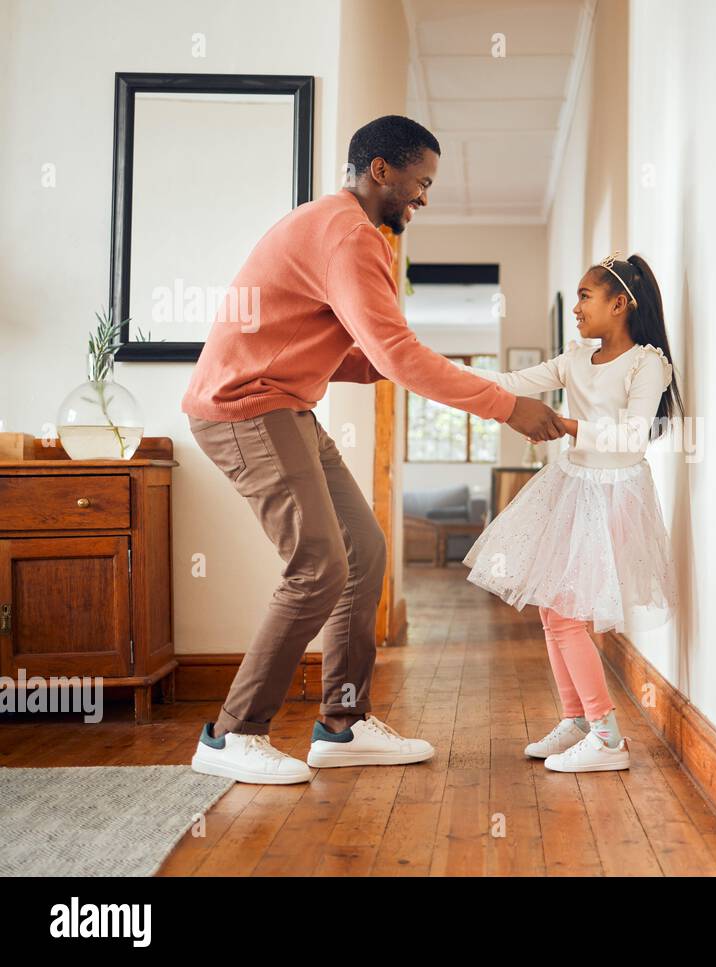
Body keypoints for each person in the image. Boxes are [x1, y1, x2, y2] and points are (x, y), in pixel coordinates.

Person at [181, 115, 566, 784]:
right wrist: (506, 406)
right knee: (319, 565)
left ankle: (343, 722)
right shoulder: (349, 235)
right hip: (245, 406)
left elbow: (369, 355)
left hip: (285, 405)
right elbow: (398, 356)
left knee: (365, 549)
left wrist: (467, 378)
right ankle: (231, 733)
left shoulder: (346, 231)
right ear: (381, 170)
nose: (422, 198)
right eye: (420, 183)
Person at [450, 252, 683, 773]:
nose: (577, 308)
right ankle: (578, 722)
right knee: (554, 611)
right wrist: (443, 374)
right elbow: (511, 382)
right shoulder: (575, 358)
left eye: (585, 296)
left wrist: (566, 425)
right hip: (572, 487)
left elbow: (632, 435)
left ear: (619, 303)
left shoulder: (647, 363)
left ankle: (607, 737)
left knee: (567, 615)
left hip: (615, 494)